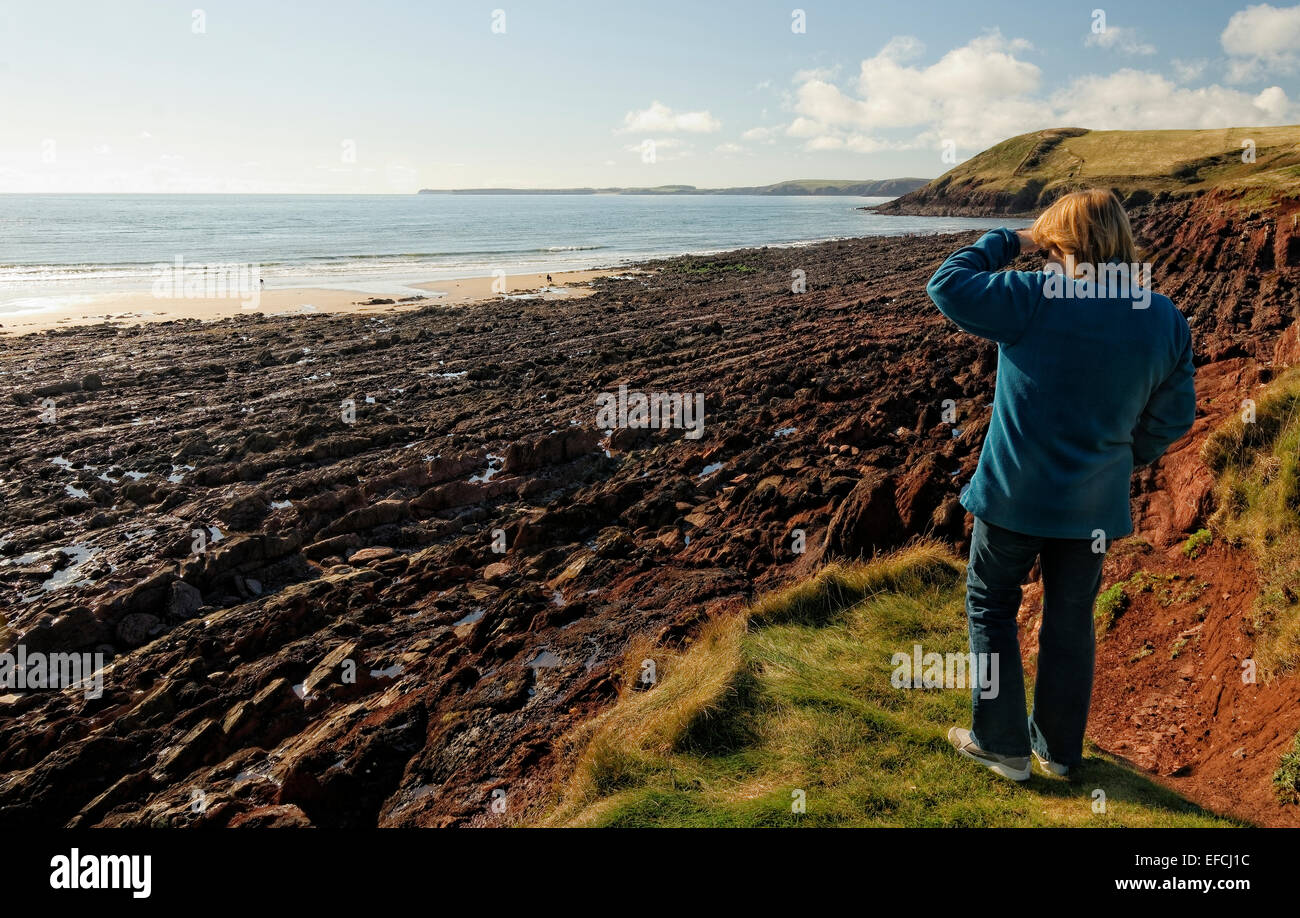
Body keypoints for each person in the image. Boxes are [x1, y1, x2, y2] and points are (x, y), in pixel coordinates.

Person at [925, 189, 1196, 781]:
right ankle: (1060, 755)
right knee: (1070, 619)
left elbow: (947, 283)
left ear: (1057, 240)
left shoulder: (1032, 296)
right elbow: (1174, 418)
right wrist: (1120, 460)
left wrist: (1012, 239)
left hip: (1013, 495)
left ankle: (1002, 746)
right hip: (1093, 508)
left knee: (992, 606)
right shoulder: (1162, 315)